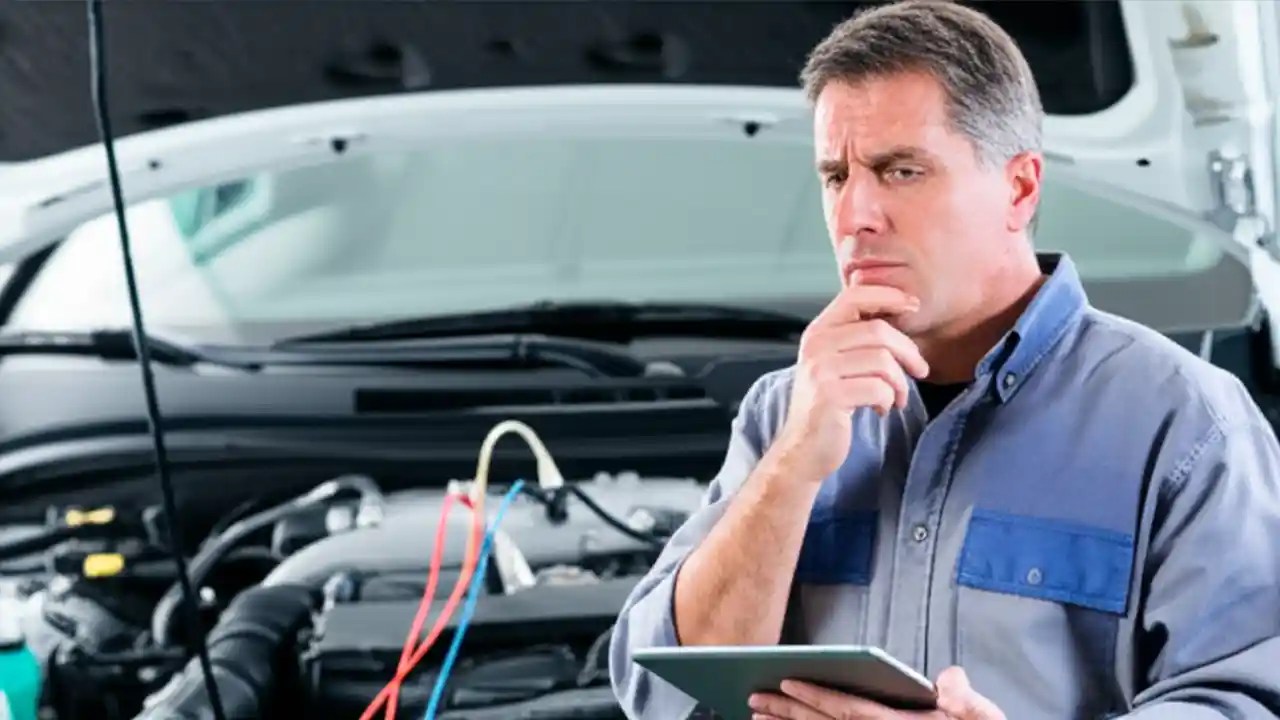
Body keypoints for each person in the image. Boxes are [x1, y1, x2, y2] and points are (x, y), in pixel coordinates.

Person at [607, 1, 1280, 718]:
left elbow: (1246, 699)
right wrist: (793, 466)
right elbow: (661, 692)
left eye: (901, 171)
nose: (854, 214)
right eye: (836, 175)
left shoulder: (1184, 423)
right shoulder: (786, 412)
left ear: (1019, 187)